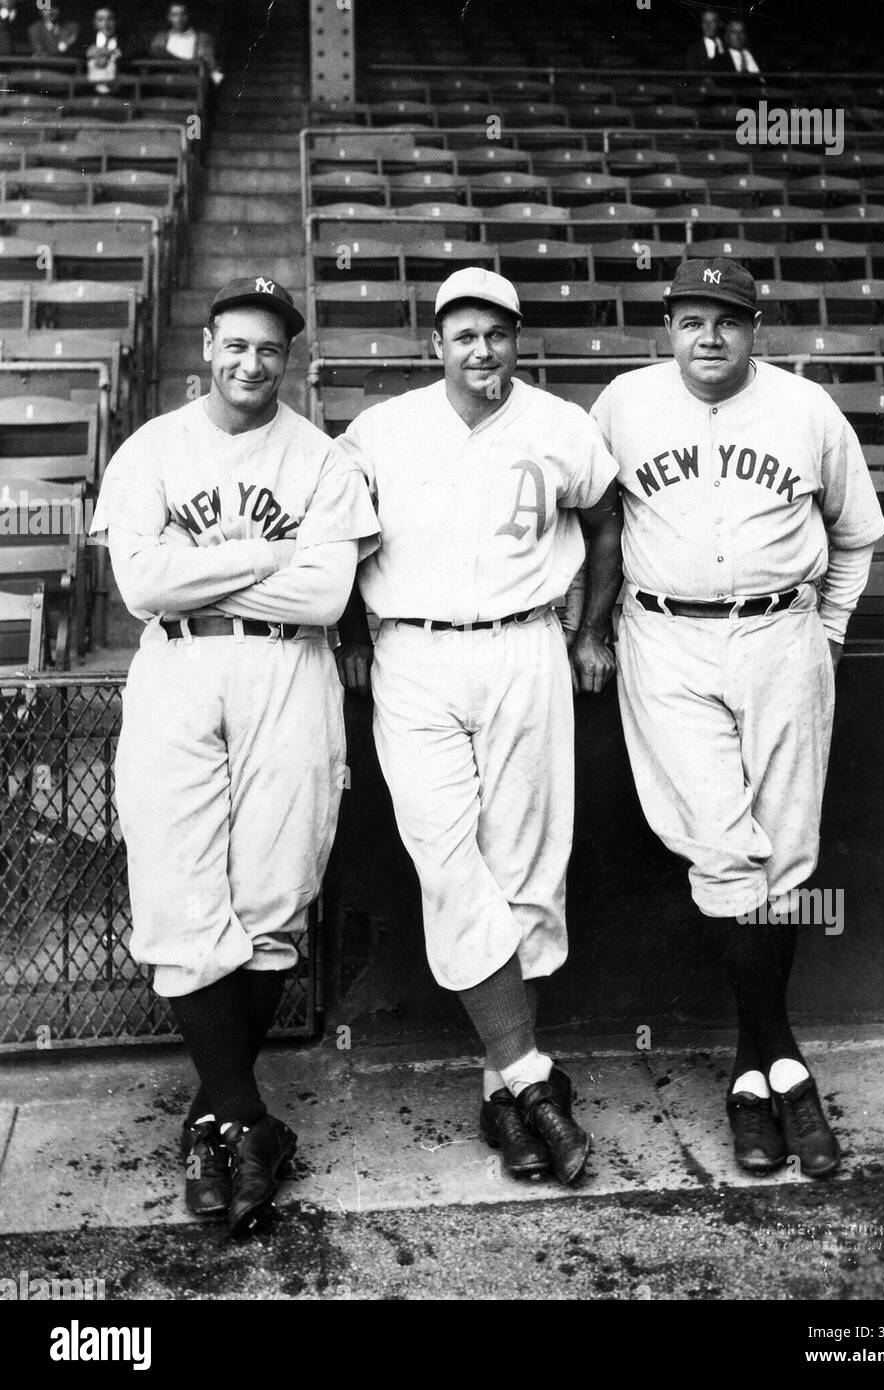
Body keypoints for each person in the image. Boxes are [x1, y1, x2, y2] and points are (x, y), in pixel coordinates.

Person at [89, 276, 379, 1234]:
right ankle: (250, 1119)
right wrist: (266, 556)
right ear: (207, 348)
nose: (252, 363)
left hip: (288, 669)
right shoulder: (151, 448)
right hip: (177, 668)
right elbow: (143, 585)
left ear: (288, 358)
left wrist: (203, 570)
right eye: (237, 345)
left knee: (271, 898)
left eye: (270, 349)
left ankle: (216, 1119)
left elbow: (326, 595)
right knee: (179, 897)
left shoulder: (322, 458)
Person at [590, 257, 884, 1180]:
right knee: (723, 847)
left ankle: (750, 1081)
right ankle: (783, 1060)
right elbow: (594, 525)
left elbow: (856, 534)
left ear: (757, 329)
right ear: (667, 328)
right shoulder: (623, 405)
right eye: (691, 319)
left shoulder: (807, 409)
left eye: (727, 319)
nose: (708, 337)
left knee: (786, 850)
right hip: (665, 637)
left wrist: (827, 632)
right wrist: (590, 627)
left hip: (782, 633)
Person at [336, 267, 622, 1188]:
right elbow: (336, 538)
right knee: (449, 861)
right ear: (437, 345)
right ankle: (535, 1077)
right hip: (414, 652)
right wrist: (351, 637)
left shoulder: (561, 425)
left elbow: (607, 520)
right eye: (464, 335)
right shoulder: (382, 430)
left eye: (498, 333)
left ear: (517, 340)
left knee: (527, 867)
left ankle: (503, 1094)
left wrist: (592, 630)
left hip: (526, 644)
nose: (483, 350)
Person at [149, 3, 223, 85]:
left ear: (188, 16)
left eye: (183, 14)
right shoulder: (160, 37)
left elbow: (210, 66)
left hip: (192, 85)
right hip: (164, 84)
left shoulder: (202, 38)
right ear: (169, 17)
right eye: (174, 15)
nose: (179, 19)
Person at [86, 6, 130, 91]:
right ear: (94, 23)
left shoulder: (126, 38)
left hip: (120, 91)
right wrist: (88, 52)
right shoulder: (86, 38)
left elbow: (138, 51)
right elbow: (72, 52)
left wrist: (115, 53)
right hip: (89, 90)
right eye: (100, 20)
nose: (105, 24)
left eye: (110, 19)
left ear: (116, 21)